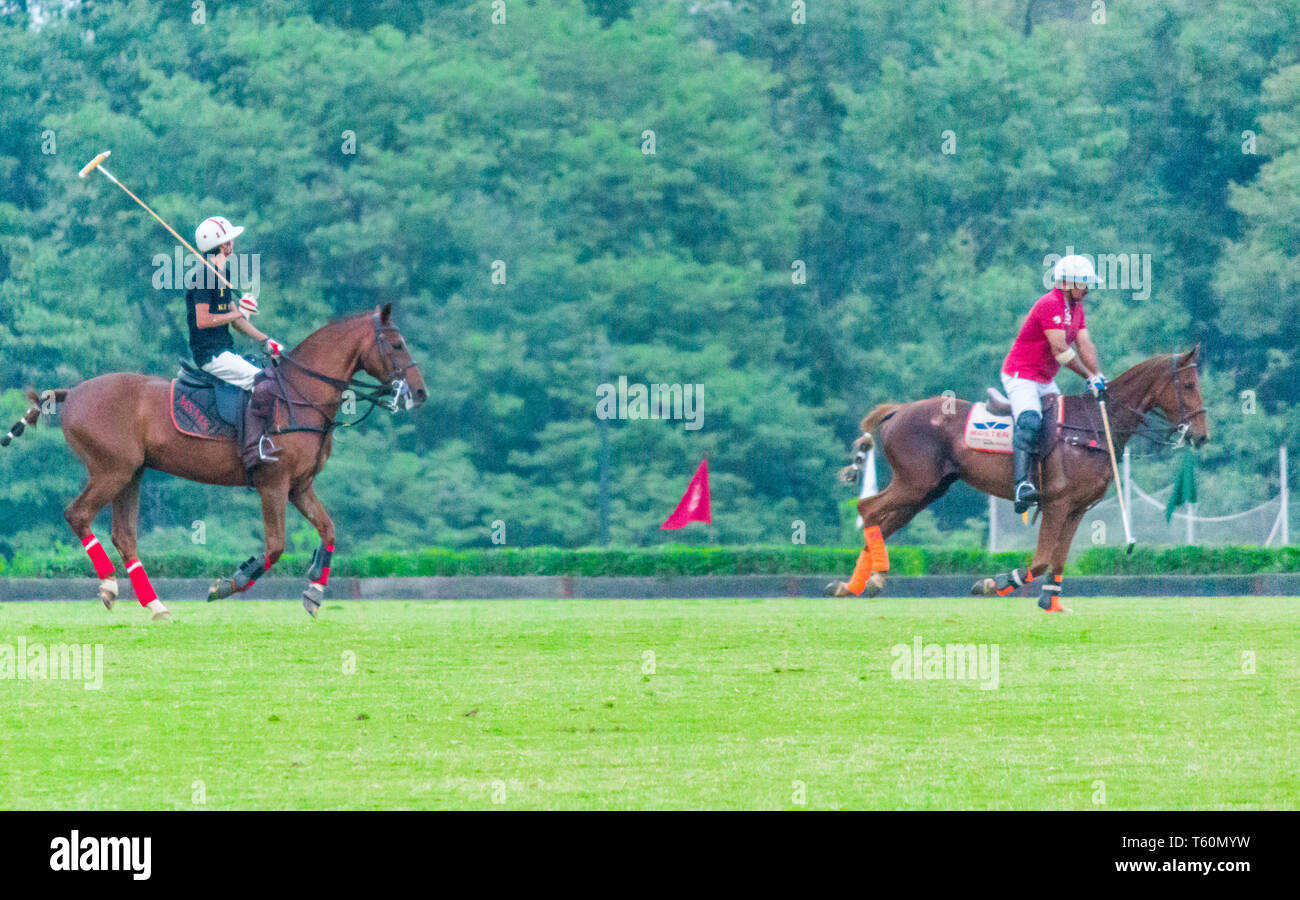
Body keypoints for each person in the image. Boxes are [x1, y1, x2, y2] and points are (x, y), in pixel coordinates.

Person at [1001, 254, 1108, 513]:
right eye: (1082, 283)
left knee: (1061, 425)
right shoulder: (1050, 304)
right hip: (1021, 375)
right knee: (1030, 421)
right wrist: (1087, 377)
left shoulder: (1076, 310)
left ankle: (1050, 477)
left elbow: (1084, 344)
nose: (1086, 289)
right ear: (1067, 283)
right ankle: (1021, 485)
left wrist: (1099, 375)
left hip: (1045, 379)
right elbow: (1061, 350)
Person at [184, 215, 284, 477]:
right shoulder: (203, 277)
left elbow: (237, 321)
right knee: (261, 381)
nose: (233, 244)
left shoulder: (221, 274)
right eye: (230, 240)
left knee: (269, 374)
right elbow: (204, 320)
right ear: (223, 245)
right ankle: (254, 448)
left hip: (225, 350)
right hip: (210, 355)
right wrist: (237, 311)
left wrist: (265, 340)